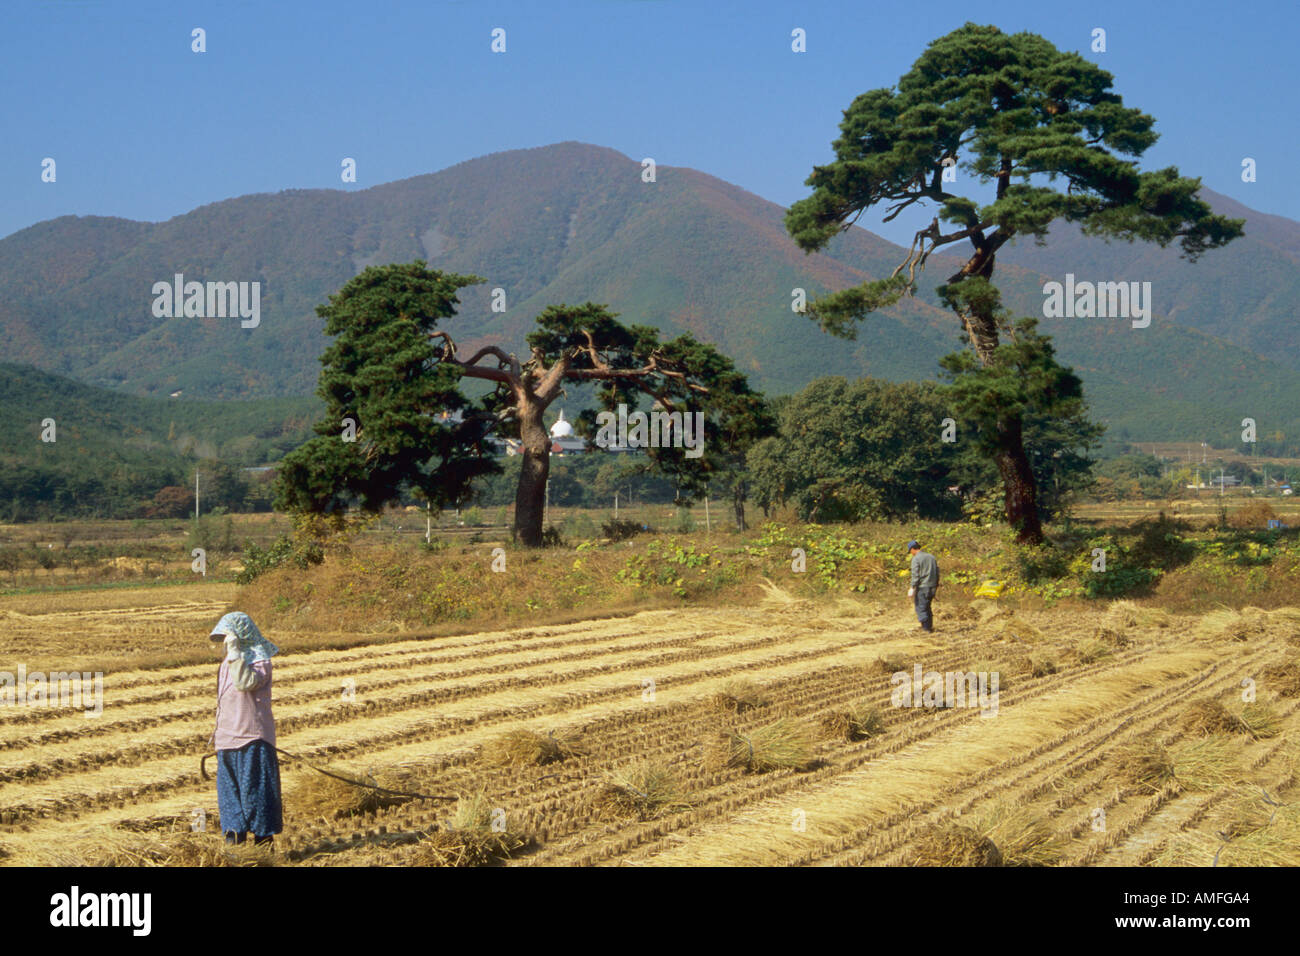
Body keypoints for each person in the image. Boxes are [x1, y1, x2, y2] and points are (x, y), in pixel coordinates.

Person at [208, 612, 282, 847]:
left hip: (253, 739)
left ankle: (263, 849)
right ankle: (235, 851)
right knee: (230, 801)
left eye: (229, 637)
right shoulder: (227, 663)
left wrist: (236, 655)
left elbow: (244, 683)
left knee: (257, 797)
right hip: (227, 741)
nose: (225, 644)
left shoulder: (260, 662)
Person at [906, 540, 939, 632]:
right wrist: (936, 585)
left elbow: (915, 575)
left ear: (913, 549)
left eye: (910, 551)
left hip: (923, 586)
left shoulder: (916, 559)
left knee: (921, 607)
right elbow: (937, 572)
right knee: (928, 606)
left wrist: (912, 587)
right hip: (932, 586)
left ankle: (925, 629)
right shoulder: (931, 557)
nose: (911, 553)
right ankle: (929, 627)